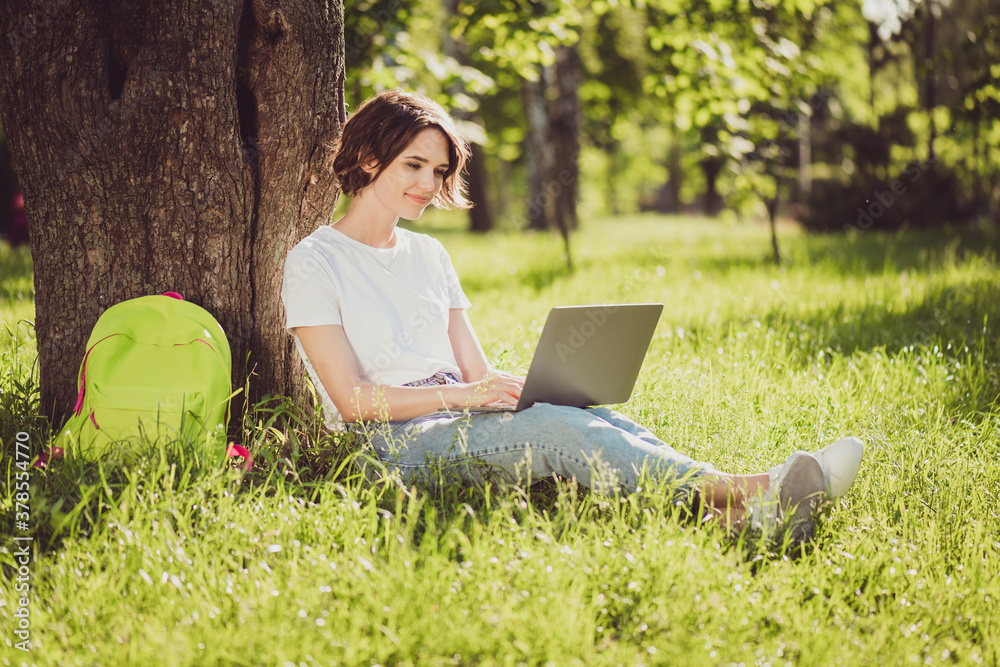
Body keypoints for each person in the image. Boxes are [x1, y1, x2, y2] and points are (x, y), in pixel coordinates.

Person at [280, 90, 863, 546]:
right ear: (367, 157)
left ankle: (745, 522)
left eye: (438, 171)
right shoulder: (316, 261)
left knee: (589, 417)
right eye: (414, 165)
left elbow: (473, 371)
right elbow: (352, 402)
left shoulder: (430, 255)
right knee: (555, 431)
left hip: (451, 419)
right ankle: (757, 487)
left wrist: (516, 392)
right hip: (386, 445)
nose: (429, 185)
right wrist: (467, 398)